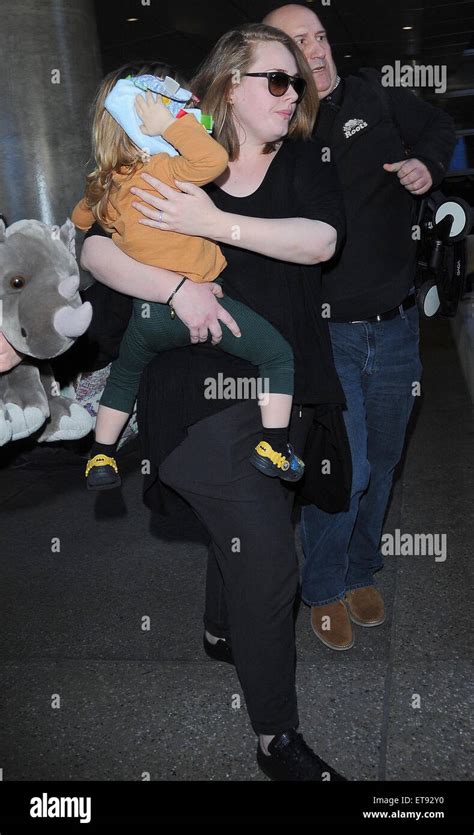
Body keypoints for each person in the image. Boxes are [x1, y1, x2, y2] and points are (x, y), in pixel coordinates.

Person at [80, 23, 350, 780]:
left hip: (280, 388)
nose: (292, 92)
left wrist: (211, 225)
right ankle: (275, 739)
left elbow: (321, 241)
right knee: (267, 552)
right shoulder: (165, 152)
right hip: (193, 398)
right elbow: (95, 248)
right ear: (229, 83)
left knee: (260, 510)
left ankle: (221, 624)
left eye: (296, 82)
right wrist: (171, 284)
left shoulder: (304, 163)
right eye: (276, 78)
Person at [262, 3, 456, 650]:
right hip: (328, 333)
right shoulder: (280, 128)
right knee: (346, 468)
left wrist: (427, 166)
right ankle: (321, 586)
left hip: (398, 326)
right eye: (299, 42)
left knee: (386, 459)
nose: (317, 49)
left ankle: (359, 567)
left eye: (320, 36)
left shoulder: (378, 95)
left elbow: (438, 126)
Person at [71, 70, 305, 491]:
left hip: (148, 316)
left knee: (127, 373)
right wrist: (170, 127)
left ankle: (101, 453)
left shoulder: (106, 184)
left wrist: (99, 202)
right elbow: (213, 161)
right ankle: (274, 445)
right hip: (201, 302)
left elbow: (79, 220)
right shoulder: (164, 168)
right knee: (277, 357)